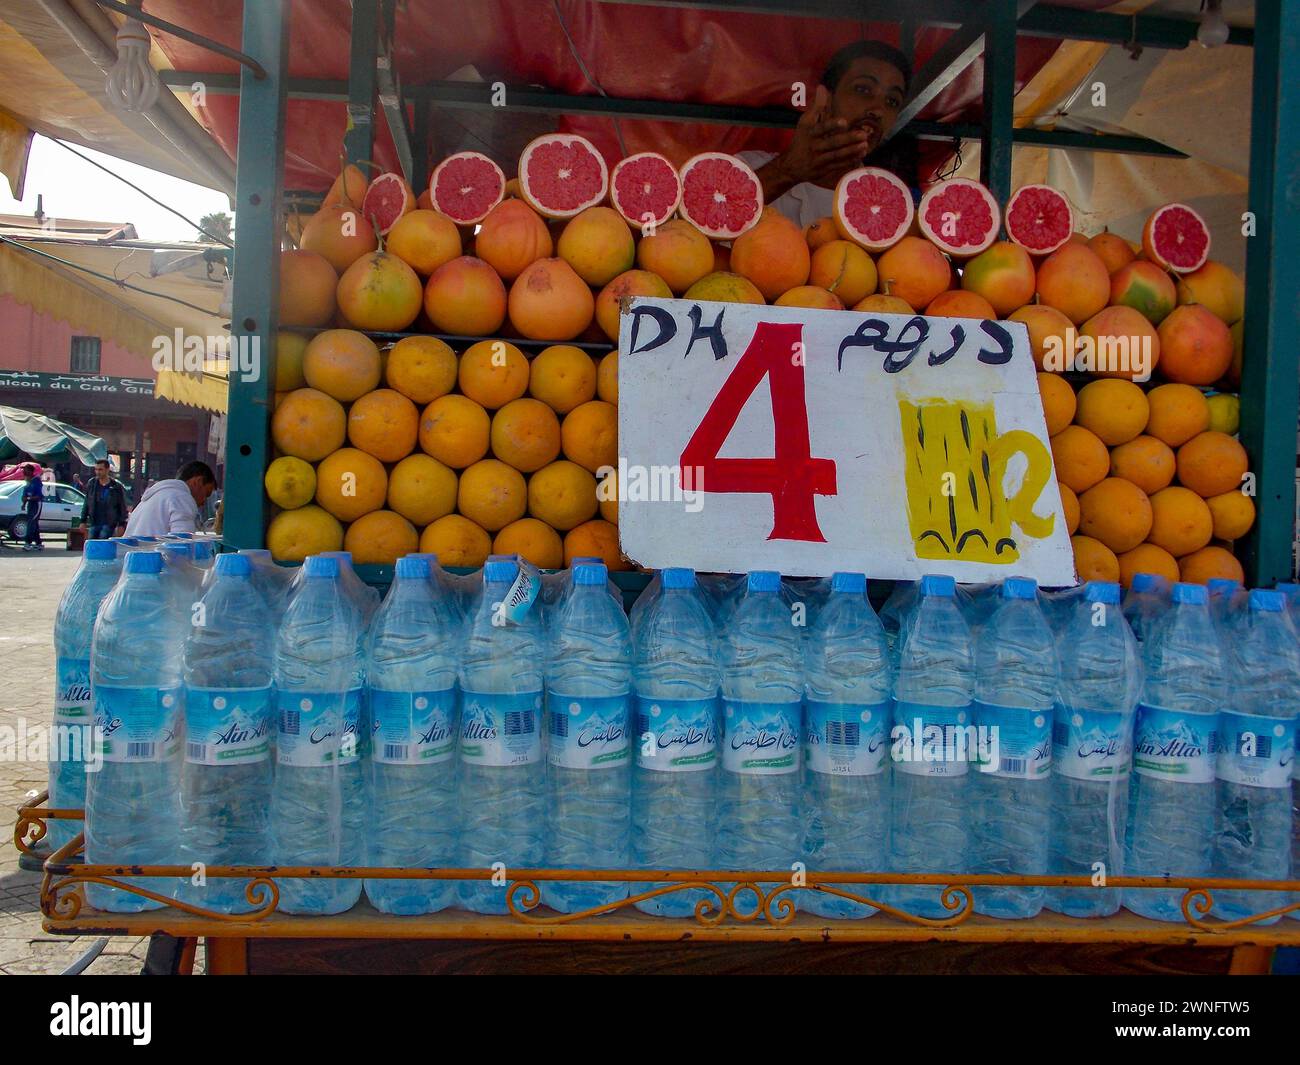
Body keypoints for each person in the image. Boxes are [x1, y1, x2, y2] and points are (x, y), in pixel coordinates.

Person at [739, 40, 915, 229]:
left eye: (892, 101)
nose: (878, 110)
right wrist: (786, 170)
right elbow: (710, 216)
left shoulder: (890, 208)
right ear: (825, 98)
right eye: (863, 89)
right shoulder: (748, 168)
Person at [124, 460, 217, 537]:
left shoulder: (149, 500)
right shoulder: (181, 497)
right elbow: (182, 545)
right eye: (207, 494)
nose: (203, 503)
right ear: (198, 482)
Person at [81, 459, 129, 540]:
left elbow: (122, 506)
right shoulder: (92, 483)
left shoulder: (116, 486)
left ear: (107, 470)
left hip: (109, 522)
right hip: (94, 521)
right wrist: (83, 521)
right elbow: (87, 503)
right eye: (96, 469)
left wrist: (121, 524)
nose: (98, 472)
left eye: (100, 469)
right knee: (92, 543)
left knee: (103, 541)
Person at [20, 463, 44, 551]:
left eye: (25, 469)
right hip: (30, 504)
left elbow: (39, 496)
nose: (23, 471)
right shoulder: (27, 482)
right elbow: (24, 496)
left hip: (37, 504)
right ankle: (38, 543)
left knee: (31, 522)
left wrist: (29, 498)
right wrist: (23, 503)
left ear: (30, 471)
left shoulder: (36, 481)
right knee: (34, 523)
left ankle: (28, 542)